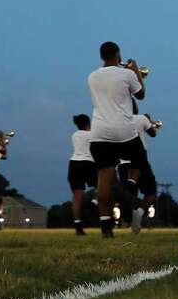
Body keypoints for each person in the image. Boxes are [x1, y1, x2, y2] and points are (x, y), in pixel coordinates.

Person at [86, 41, 147, 239]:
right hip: (124, 131)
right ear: (118, 54)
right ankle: (129, 187)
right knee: (140, 160)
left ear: (101, 56)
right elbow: (141, 94)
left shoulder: (92, 76)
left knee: (104, 178)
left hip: (100, 132)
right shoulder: (127, 74)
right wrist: (136, 70)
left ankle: (106, 228)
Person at [118, 106, 159, 235]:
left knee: (130, 195)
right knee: (151, 191)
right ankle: (140, 214)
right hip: (140, 161)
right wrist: (148, 120)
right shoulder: (141, 119)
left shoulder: (116, 121)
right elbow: (153, 133)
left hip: (123, 164)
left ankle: (129, 219)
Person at [67, 115, 97, 236]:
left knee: (77, 196)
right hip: (89, 163)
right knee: (103, 185)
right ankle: (96, 200)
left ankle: (78, 224)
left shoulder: (74, 135)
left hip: (74, 163)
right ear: (88, 123)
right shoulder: (92, 134)